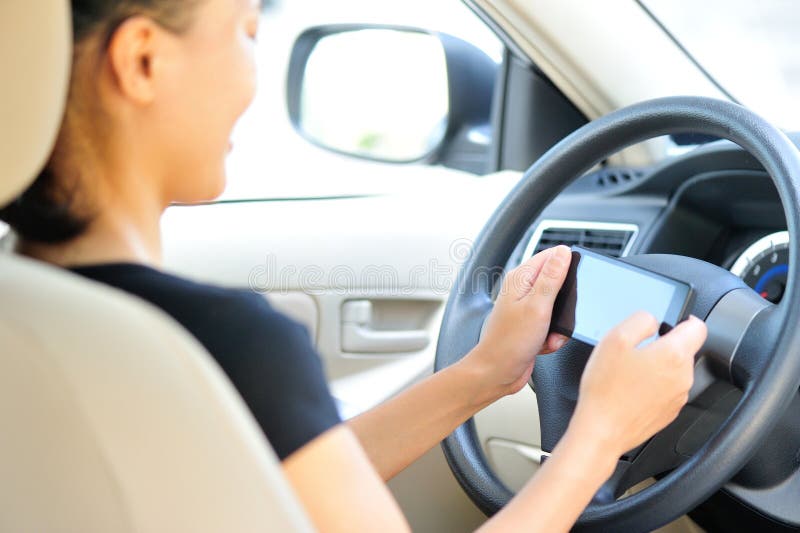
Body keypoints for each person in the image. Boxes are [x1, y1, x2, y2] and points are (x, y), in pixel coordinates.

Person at [0, 0, 708, 531]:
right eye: (246, 36)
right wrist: (603, 433)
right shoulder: (224, 341)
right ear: (143, 60)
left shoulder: (32, 312)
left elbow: (278, 475)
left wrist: (480, 377)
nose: (254, 78)